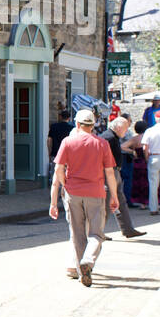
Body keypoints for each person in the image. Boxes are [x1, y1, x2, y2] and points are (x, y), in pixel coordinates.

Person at [50, 109, 120, 287]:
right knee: (96, 234)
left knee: (77, 234)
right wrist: (114, 195)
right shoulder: (102, 143)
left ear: (78, 124)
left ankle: (82, 272)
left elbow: (59, 168)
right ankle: (88, 260)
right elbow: (110, 172)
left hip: (73, 193)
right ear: (93, 125)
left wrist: (64, 184)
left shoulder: (68, 141)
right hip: (96, 192)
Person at [100, 116, 145, 238]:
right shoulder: (108, 137)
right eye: (125, 128)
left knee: (120, 201)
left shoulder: (111, 136)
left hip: (114, 172)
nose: (126, 131)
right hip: (109, 173)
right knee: (108, 202)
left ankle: (128, 229)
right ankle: (98, 232)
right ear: (119, 127)